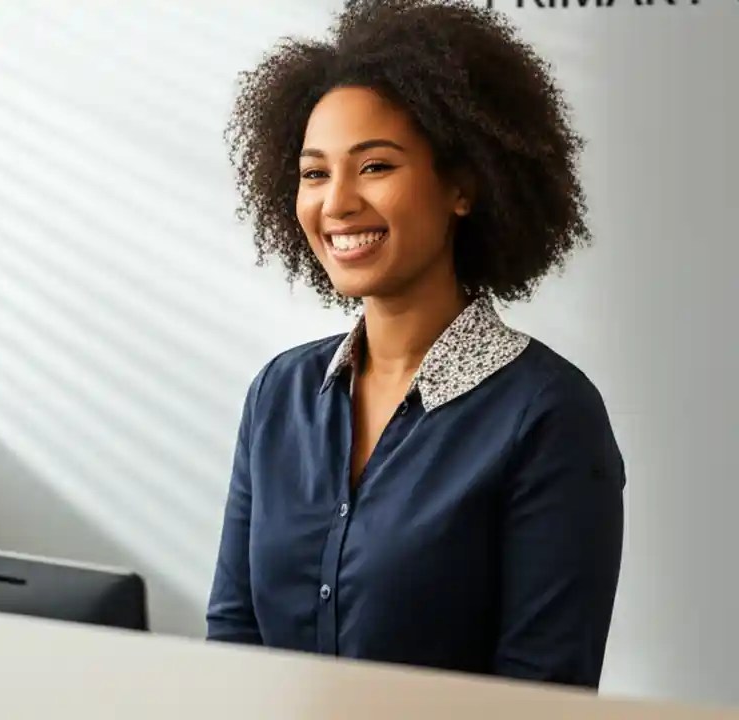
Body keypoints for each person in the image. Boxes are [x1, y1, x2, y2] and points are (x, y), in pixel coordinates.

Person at [206, 0, 625, 689]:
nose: (336, 202)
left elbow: (544, 694)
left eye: (374, 166)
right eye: (314, 173)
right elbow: (233, 637)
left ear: (462, 185)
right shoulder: (279, 394)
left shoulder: (550, 417)